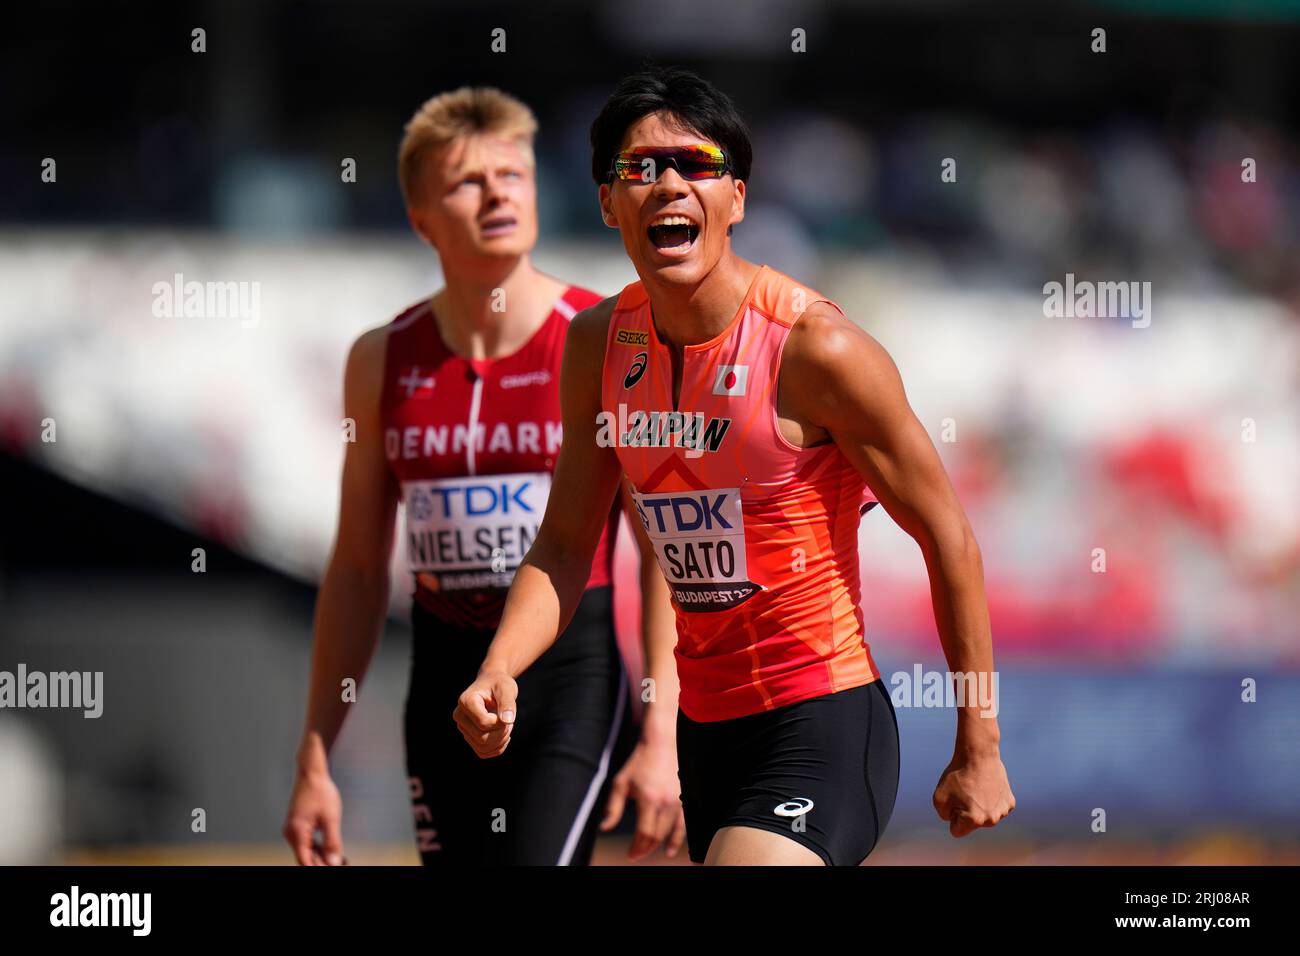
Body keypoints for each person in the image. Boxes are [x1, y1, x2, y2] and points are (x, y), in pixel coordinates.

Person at [453, 67, 1015, 865]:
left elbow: (948, 537)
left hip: (821, 717)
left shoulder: (819, 351)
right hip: (706, 734)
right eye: (641, 168)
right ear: (609, 202)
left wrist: (980, 744)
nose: (670, 185)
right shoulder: (597, 346)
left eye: (697, 164)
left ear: (738, 198)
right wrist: (500, 667)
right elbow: (567, 544)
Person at [283, 85, 684, 867]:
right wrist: (316, 757)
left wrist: (663, 733)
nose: (498, 191)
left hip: (570, 683)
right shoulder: (381, 359)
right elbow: (359, 571)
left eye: (515, 174)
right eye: (469, 180)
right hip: (441, 689)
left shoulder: (603, 339)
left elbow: (662, 554)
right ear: (421, 219)